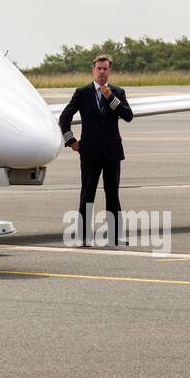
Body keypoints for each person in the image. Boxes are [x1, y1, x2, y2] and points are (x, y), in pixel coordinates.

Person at [58, 55, 133, 246]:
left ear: (110, 71)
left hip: (112, 151)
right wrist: (71, 140)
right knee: (87, 193)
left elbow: (128, 116)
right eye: (99, 69)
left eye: (105, 69)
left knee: (112, 193)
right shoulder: (82, 92)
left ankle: (115, 234)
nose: (102, 72)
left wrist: (111, 98)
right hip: (89, 152)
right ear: (93, 70)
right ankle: (84, 236)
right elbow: (64, 118)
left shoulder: (117, 92)